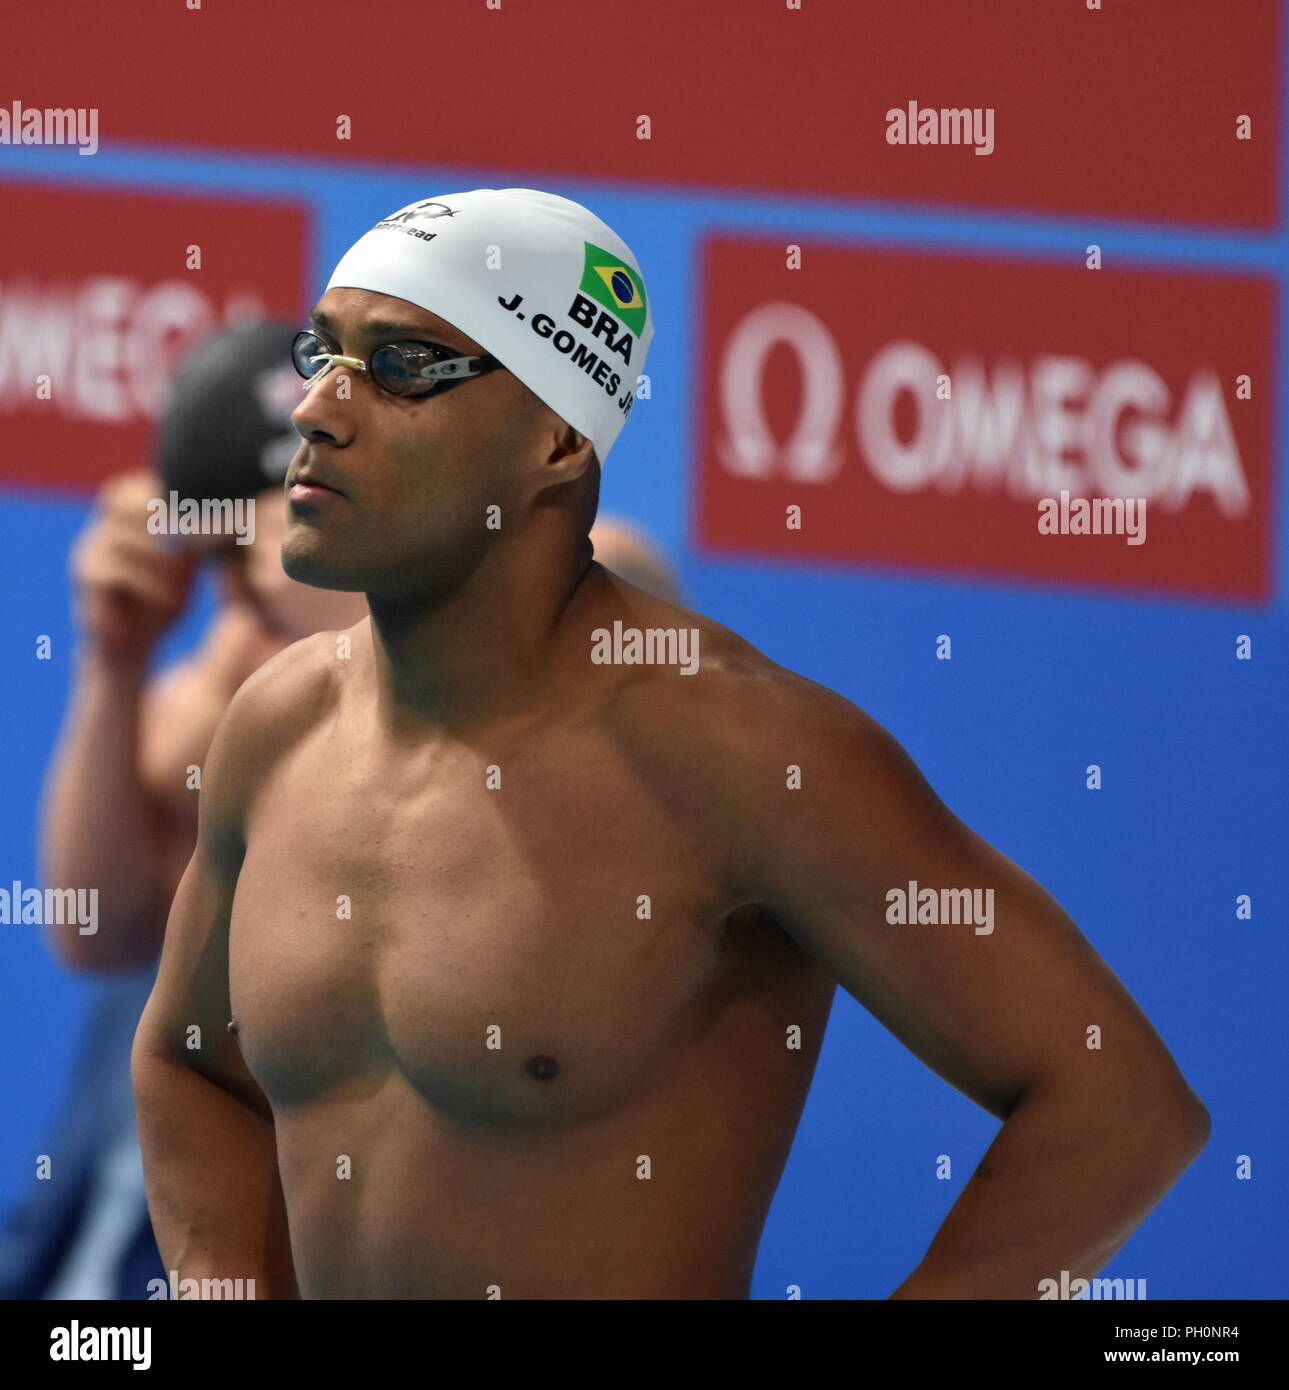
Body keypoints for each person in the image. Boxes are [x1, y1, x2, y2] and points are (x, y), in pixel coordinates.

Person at [133, 188, 1209, 1301]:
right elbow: (187, 1062)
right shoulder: (278, 725)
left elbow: (1120, 1107)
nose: (316, 409)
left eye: (403, 366)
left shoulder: (746, 757)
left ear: (557, 439)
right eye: (323, 352)